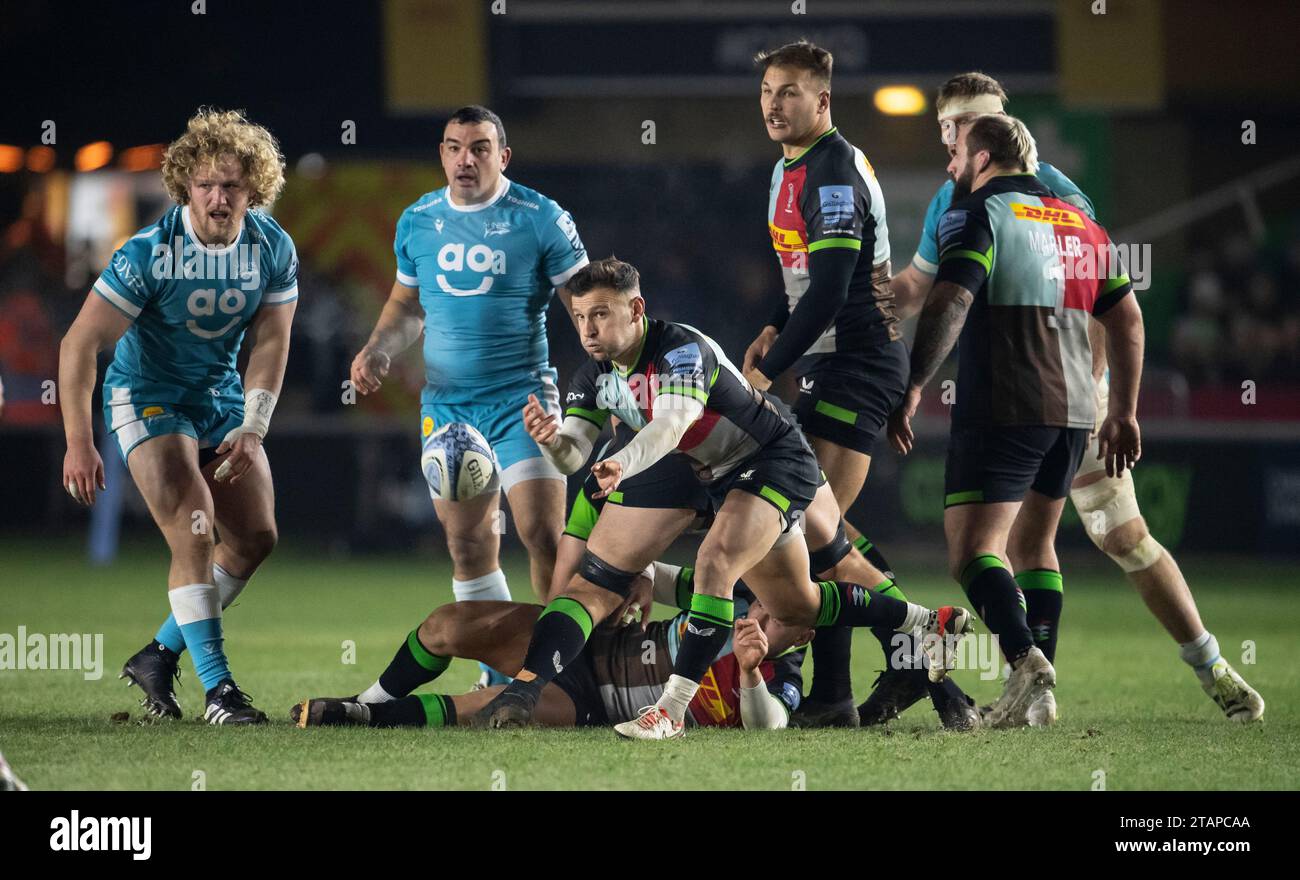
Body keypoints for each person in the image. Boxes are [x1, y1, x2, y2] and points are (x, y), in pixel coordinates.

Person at [890, 72, 1263, 724]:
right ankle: (1044, 697)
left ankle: (1185, 663)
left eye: (968, 127)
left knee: (1023, 543)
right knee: (1040, 544)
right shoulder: (965, 201)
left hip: (1043, 389)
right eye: (948, 127)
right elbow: (921, 286)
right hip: (1070, 402)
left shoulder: (1020, 195)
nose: (955, 139)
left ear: (993, 135)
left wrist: (1107, 394)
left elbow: (987, 295)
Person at [471, 257, 973, 739]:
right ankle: (925, 621)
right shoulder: (595, 374)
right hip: (711, 474)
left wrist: (623, 463)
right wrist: (553, 440)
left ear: (636, 309)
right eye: (580, 317)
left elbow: (671, 426)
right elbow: (574, 453)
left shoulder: (681, 352)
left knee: (731, 561)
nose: (588, 330)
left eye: (600, 314)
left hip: (773, 457)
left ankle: (669, 710)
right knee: (796, 605)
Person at [888, 114, 1145, 728]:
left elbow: (949, 300)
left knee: (972, 551)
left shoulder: (979, 214)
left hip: (1005, 405)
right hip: (1077, 414)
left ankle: (1025, 659)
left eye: (956, 159)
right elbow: (1128, 321)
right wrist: (1125, 412)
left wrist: (915, 382)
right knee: (1035, 545)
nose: (951, 170)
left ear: (981, 160)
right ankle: (1040, 698)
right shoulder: (1083, 224)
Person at [740, 40, 968, 728]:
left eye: (790, 92)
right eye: (768, 92)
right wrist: (775, 326)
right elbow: (806, 276)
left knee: (810, 532)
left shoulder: (832, 169)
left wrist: (770, 365)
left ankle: (865, 675)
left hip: (859, 362)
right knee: (820, 534)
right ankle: (862, 680)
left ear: (823, 100)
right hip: (836, 361)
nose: (775, 105)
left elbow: (836, 287)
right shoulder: (792, 166)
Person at [60, 108, 299, 724]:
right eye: (205, 185)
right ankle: (220, 692)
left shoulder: (271, 247)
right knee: (195, 529)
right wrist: (79, 442)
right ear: (183, 186)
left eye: (232, 185)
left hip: (218, 396)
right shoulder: (149, 253)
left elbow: (271, 342)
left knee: (255, 539)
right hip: (146, 394)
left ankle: (158, 655)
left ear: (255, 187)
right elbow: (80, 344)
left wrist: (254, 424)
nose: (218, 198)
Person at [349, 106, 589, 687]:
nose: (466, 159)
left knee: (541, 534)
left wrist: (606, 378)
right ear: (442, 154)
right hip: (450, 409)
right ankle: (498, 673)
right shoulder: (418, 221)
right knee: (467, 542)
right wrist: (379, 347)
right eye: (455, 147)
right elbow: (407, 307)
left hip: (523, 401)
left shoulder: (542, 218)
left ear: (502, 156)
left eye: (480, 147)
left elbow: (586, 306)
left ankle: (566, 675)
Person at [292, 582, 807, 732]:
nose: (760, 619)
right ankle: (368, 696)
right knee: (444, 625)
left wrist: (747, 673)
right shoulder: (725, 592)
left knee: (484, 710)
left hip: (589, 704)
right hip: (580, 644)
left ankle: (361, 716)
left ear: (800, 637)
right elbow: (649, 562)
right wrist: (643, 578)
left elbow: (770, 726)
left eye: (779, 619)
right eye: (763, 604)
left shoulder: (778, 674)